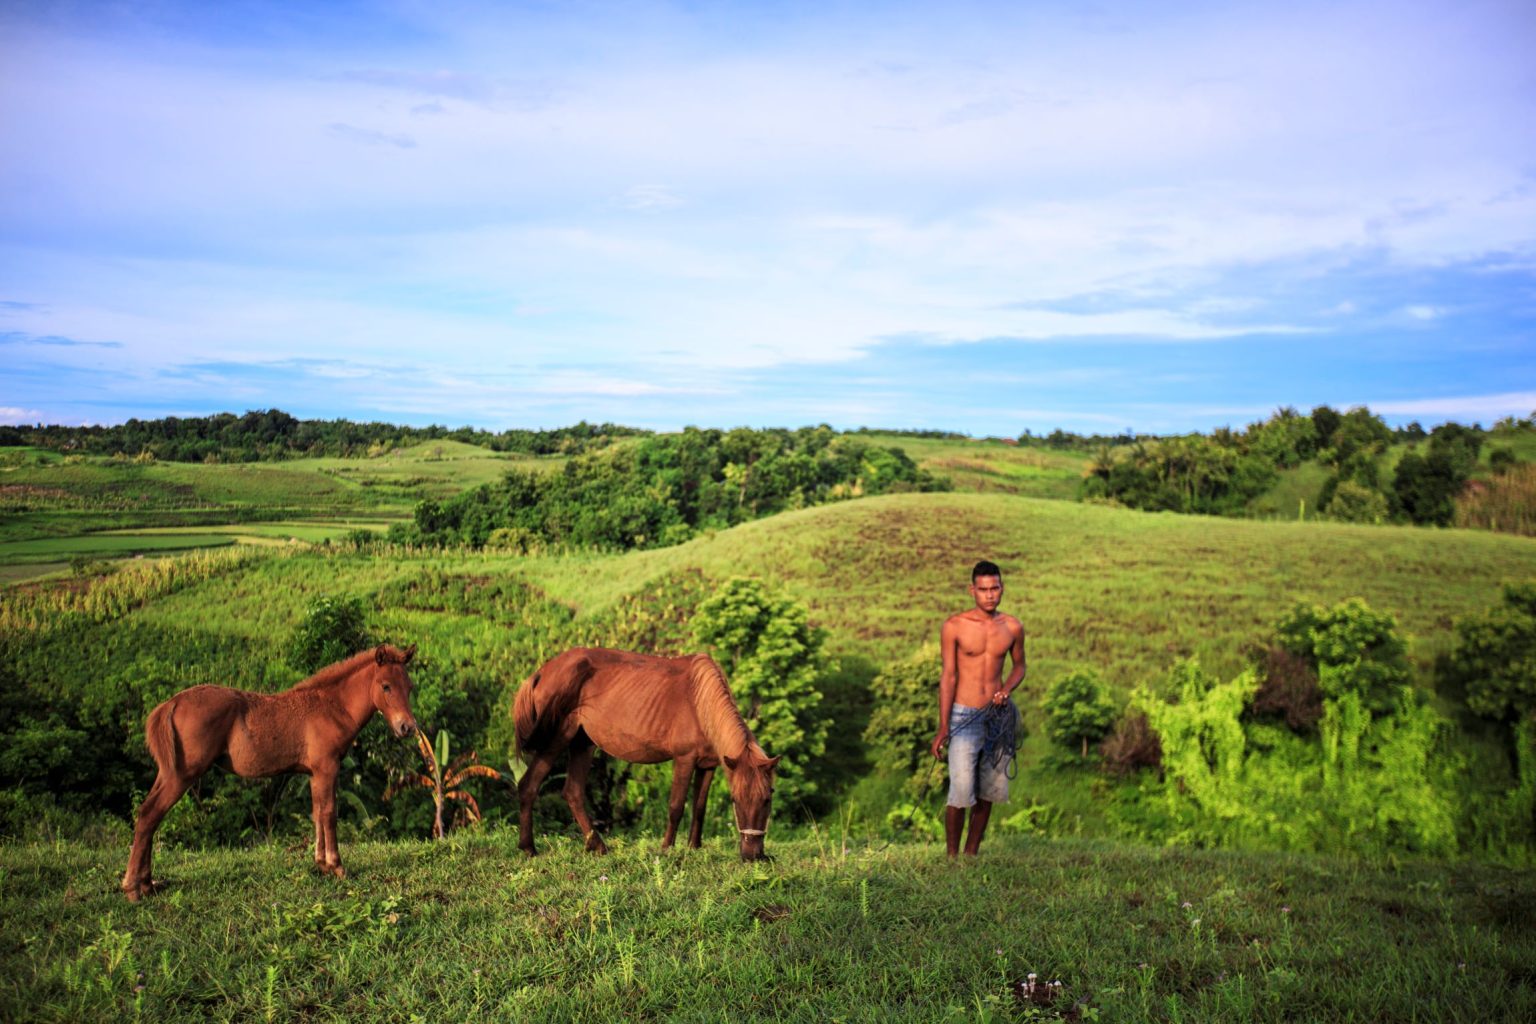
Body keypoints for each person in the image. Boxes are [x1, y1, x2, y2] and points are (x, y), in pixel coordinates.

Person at [929, 559, 1026, 857]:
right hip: (963, 716)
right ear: (972, 590)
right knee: (960, 791)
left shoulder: (1012, 626)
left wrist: (1006, 690)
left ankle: (971, 855)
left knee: (988, 791)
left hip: (997, 718)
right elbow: (948, 676)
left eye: (994, 588)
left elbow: (1020, 666)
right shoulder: (955, 626)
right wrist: (943, 726)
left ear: (1002, 588)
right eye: (983, 589)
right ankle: (951, 856)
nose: (989, 595)